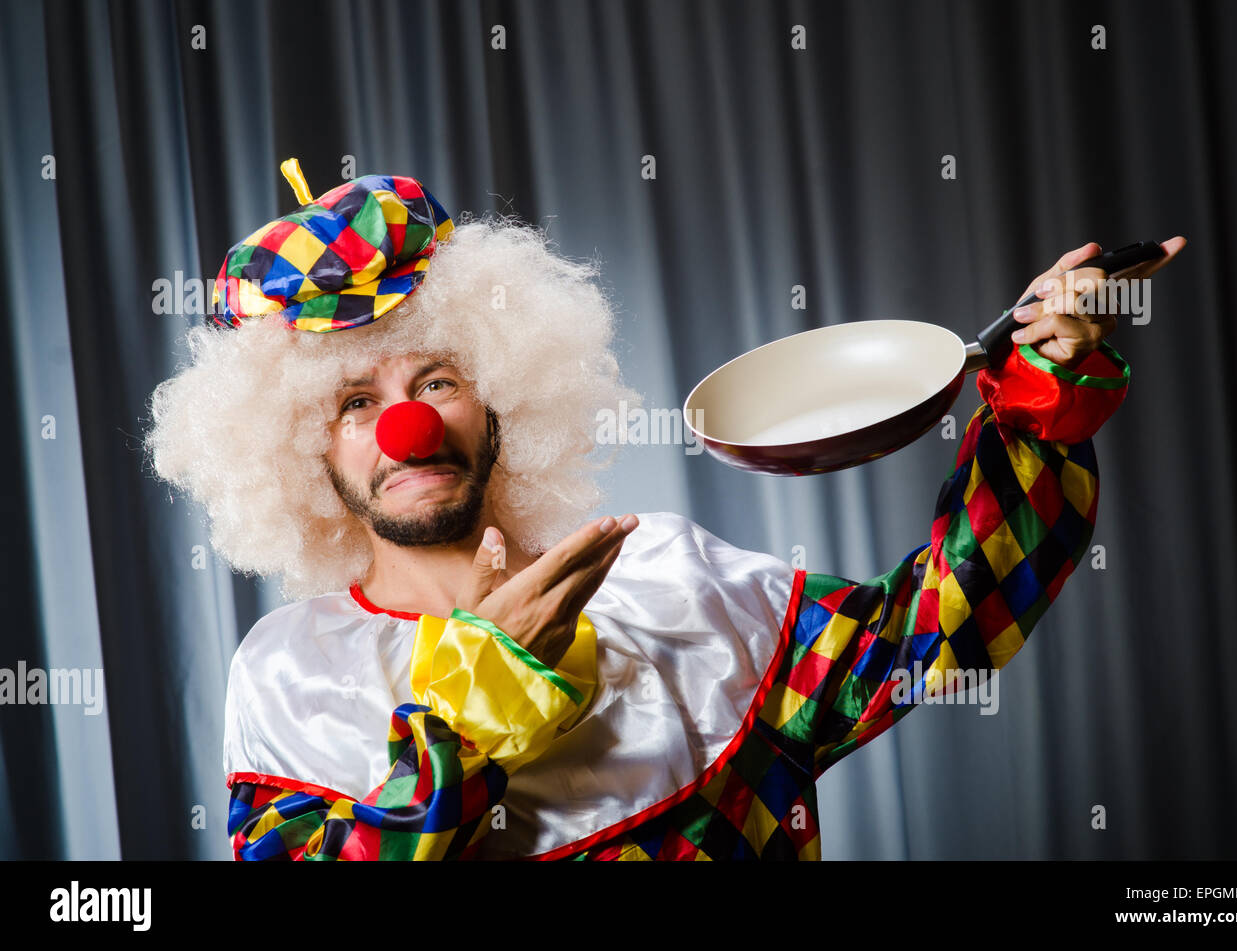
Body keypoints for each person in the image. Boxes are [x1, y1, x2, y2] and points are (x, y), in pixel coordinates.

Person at [145, 159, 1183, 860]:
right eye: (353, 404)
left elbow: (943, 633)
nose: (405, 430)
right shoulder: (289, 677)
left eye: (437, 383)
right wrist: (466, 726)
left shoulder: (669, 581)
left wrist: (1037, 393)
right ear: (298, 447)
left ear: (503, 395)